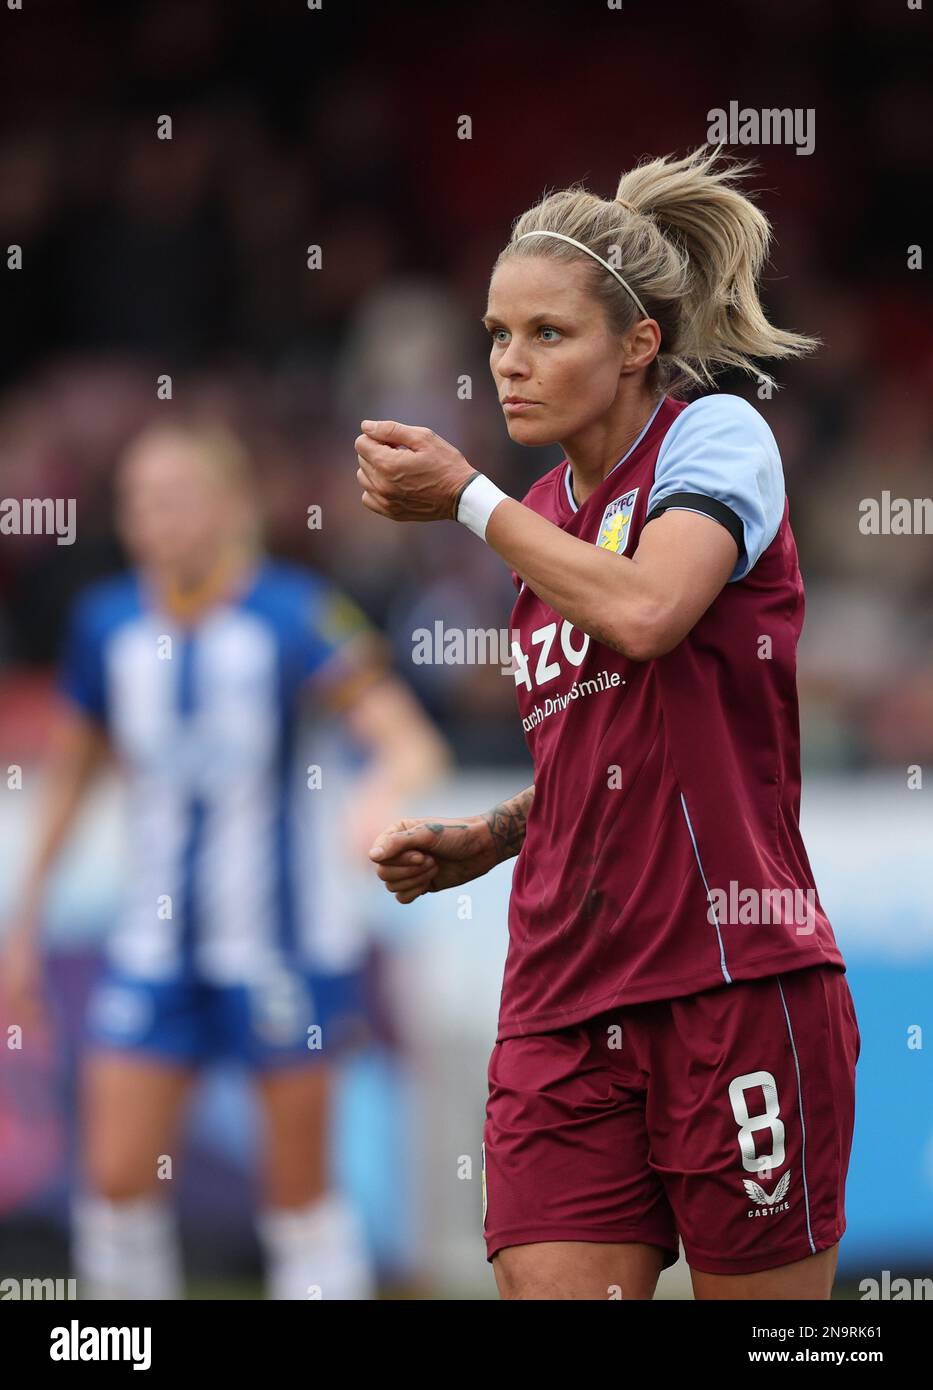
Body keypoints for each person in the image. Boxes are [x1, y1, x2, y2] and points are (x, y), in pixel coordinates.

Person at [355, 146, 861, 1301]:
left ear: (639, 344)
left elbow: (647, 615)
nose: (508, 365)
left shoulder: (715, 438)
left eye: (547, 333)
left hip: (730, 975)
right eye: (495, 334)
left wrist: (467, 502)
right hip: (561, 997)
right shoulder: (540, 518)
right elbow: (607, 747)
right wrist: (490, 835)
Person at [1, 418, 450, 1300]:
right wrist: (25, 921)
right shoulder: (107, 624)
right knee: (117, 1185)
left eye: (175, 498)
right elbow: (71, 781)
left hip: (284, 950)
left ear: (230, 507)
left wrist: (374, 799)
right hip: (155, 948)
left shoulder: (296, 613)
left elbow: (410, 743)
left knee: (297, 1197)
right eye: (138, 502)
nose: (155, 520)